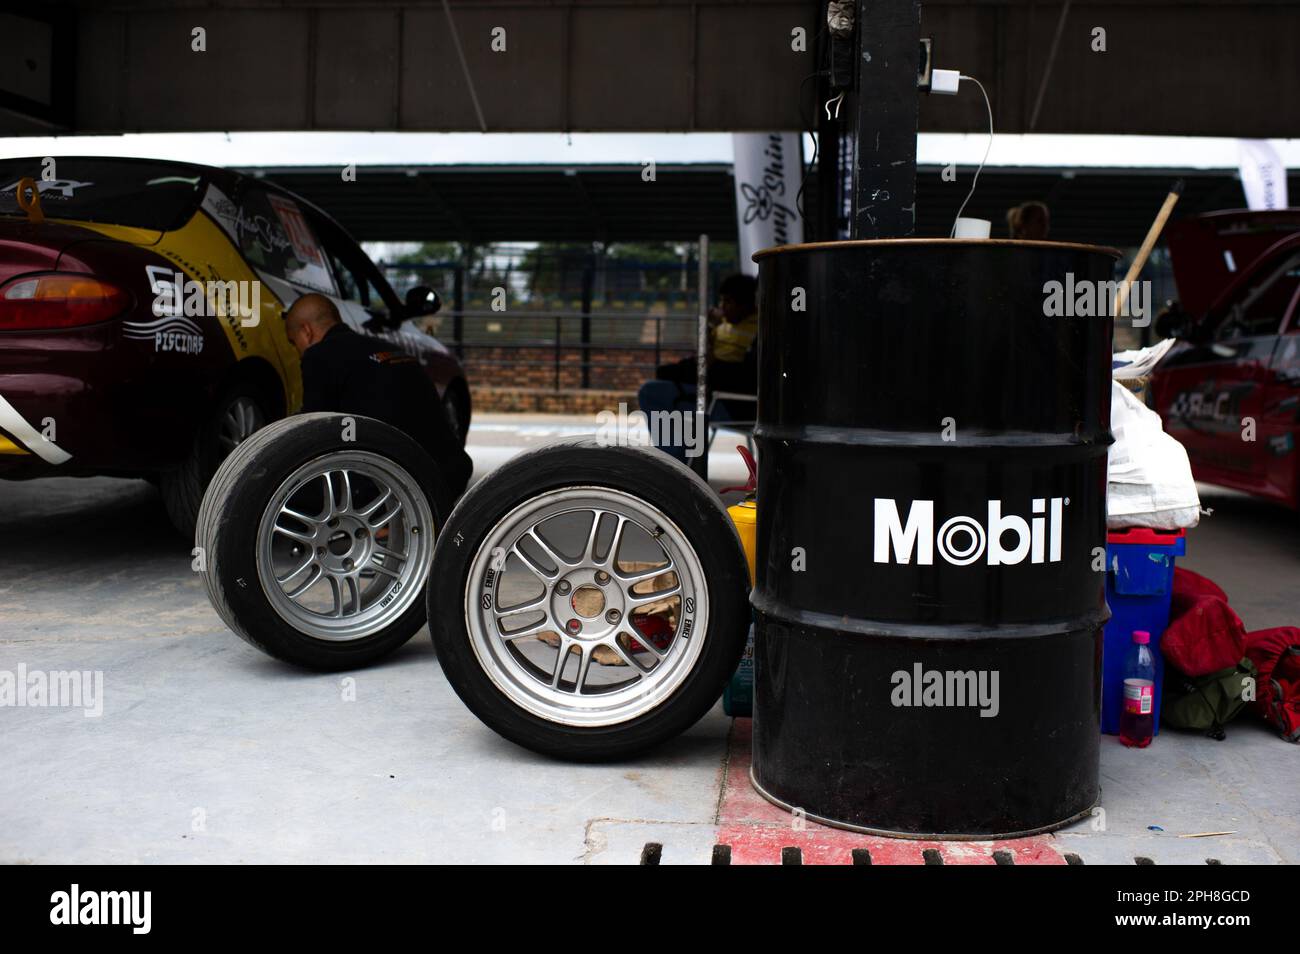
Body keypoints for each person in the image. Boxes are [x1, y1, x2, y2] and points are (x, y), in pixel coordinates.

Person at [284, 293, 472, 498]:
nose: (298, 352)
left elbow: (313, 430)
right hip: (451, 475)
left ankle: (383, 524)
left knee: (287, 490)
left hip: (395, 485)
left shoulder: (319, 355)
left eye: (294, 343)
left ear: (306, 331)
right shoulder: (391, 349)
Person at [637, 273, 759, 462]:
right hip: (711, 389)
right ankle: (678, 461)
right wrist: (711, 329)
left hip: (727, 403)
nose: (722, 308)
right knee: (667, 381)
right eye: (722, 302)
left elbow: (743, 376)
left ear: (745, 305)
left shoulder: (758, 331)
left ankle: (673, 463)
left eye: (728, 302)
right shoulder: (724, 327)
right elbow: (705, 355)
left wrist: (711, 364)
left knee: (651, 393)